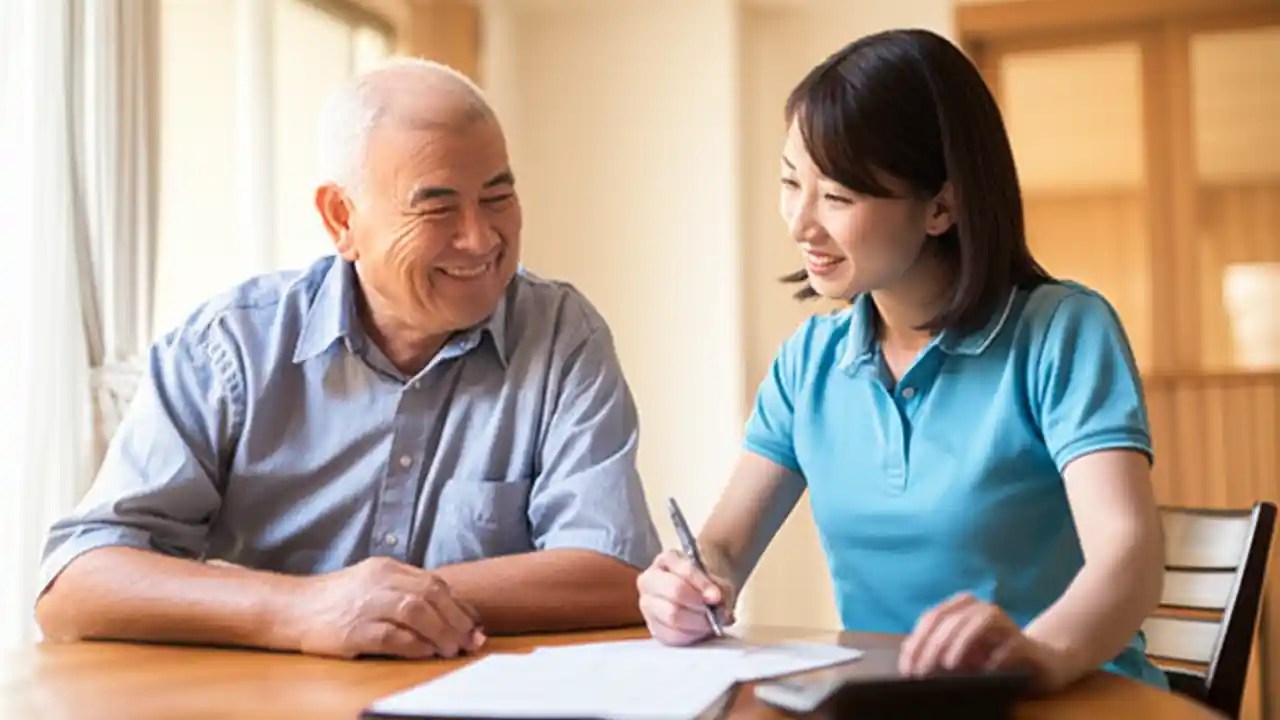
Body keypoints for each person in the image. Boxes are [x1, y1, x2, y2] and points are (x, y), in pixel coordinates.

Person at [36, 59, 661, 660]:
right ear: (342, 218)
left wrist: (390, 605)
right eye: (438, 207)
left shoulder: (560, 335)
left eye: (497, 197)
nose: (480, 238)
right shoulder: (229, 348)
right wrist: (302, 609)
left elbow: (612, 571)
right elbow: (76, 585)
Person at [636, 29, 1167, 692]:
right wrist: (685, 587)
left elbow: (1131, 555)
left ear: (942, 205)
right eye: (790, 183)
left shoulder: (1061, 332)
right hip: (891, 704)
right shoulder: (810, 362)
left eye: (837, 197)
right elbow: (722, 551)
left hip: (1063, 698)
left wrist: (1042, 654)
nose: (800, 223)